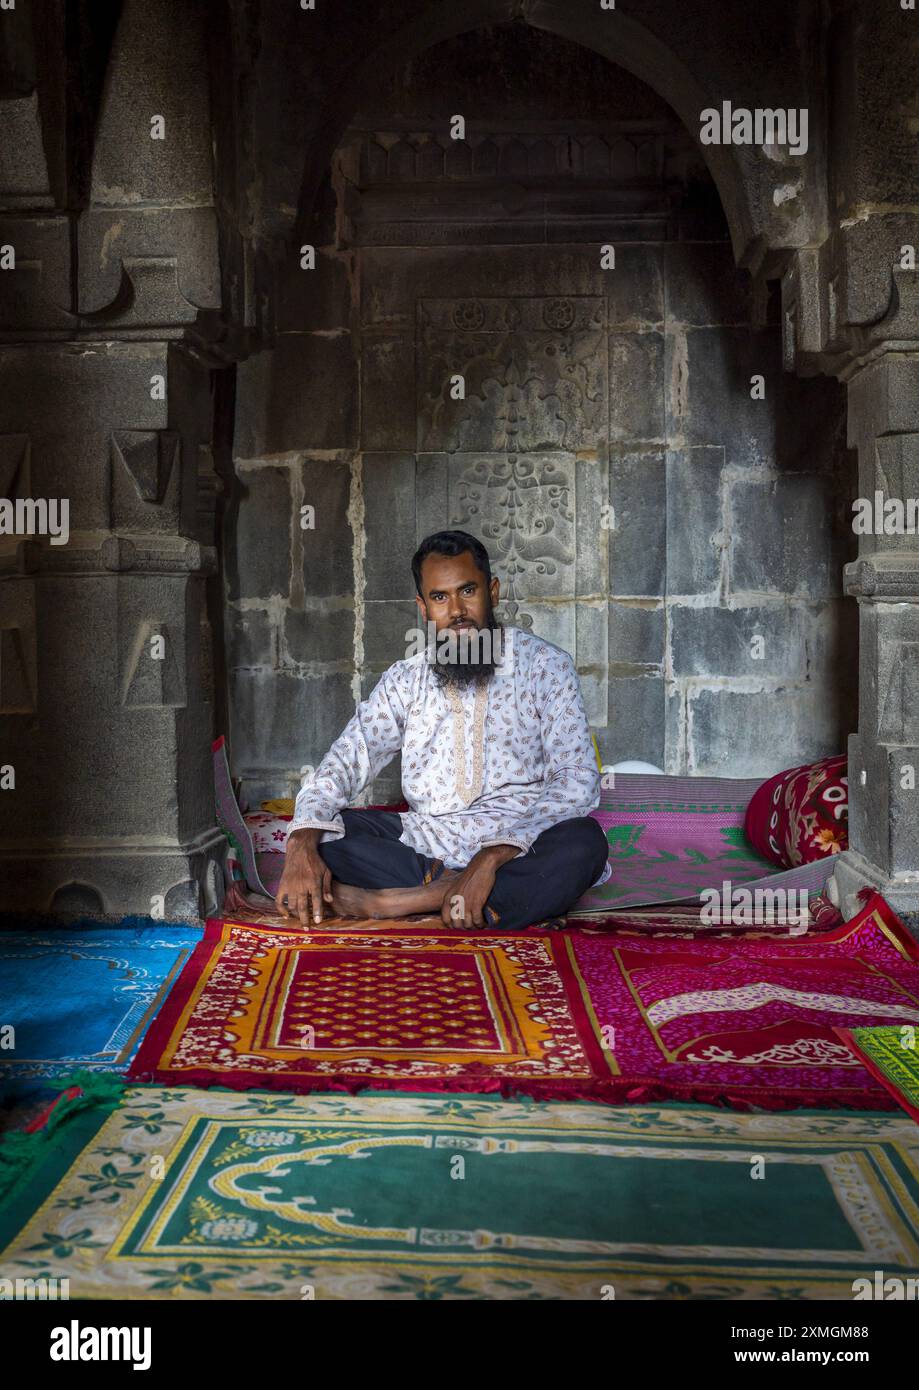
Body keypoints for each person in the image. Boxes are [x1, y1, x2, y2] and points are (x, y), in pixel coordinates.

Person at [276, 529, 609, 929]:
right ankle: (467, 896)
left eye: (468, 591)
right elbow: (346, 759)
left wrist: (490, 856)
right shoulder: (406, 679)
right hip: (427, 843)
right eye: (440, 597)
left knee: (585, 844)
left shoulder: (545, 667)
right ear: (423, 608)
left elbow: (576, 780)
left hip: (520, 844)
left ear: (494, 592)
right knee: (328, 833)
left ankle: (400, 903)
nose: (456, 611)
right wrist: (300, 842)